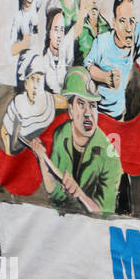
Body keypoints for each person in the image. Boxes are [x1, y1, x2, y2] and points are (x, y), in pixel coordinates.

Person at [31, 67, 123, 215]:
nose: (88, 113)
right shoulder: (61, 135)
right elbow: (54, 193)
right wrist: (42, 158)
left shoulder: (109, 157)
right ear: (71, 111)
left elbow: (105, 215)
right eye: (81, 104)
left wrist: (79, 194)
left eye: (92, 106)